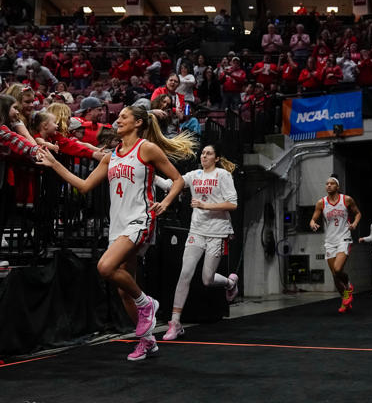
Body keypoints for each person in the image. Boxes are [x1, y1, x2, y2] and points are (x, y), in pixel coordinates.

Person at [37, 105, 196, 361]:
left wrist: (165, 203)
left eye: (124, 116)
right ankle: (147, 341)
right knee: (123, 290)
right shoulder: (111, 156)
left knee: (105, 267)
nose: (118, 119)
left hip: (140, 220)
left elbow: (177, 179)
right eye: (118, 116)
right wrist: (54, 163)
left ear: (138, 123)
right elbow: (85, 185)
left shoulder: (146, 148)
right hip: (118, 225)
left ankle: (147, 304)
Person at [155, 145, 239, 341]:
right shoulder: (194, 175)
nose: (204, 156)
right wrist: (151, 174)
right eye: (202, 153)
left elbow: (232, 204)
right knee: (185, 273)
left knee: (207, 279)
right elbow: (170, 185)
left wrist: (204, 205)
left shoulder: (223, 175)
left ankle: (230, 282)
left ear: (216, 158)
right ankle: (175, 323)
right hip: (197, 231)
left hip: (217, 232)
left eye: (209, 153)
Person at [310, 175, 362, 313]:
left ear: (337, 187)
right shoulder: (321, 203)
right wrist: (312, 223)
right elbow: (313, 218)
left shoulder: (346, 199)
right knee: (334, 275)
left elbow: (358, 213)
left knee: (338, 269)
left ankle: (349, 287)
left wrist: (355, 224)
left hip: (344, 238)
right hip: (330, 241)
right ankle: (345, 301)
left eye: (331, 184)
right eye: (326, 183)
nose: (328, 186)